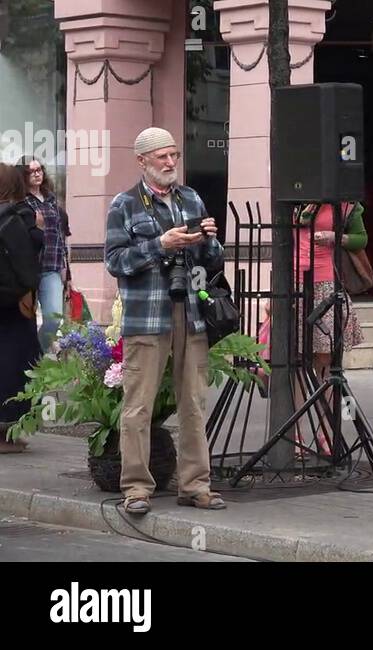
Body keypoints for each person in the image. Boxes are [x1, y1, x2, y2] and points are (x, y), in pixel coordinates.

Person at [104, 127, 226, 514]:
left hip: (190, 310)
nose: (171, 163)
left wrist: (208, 239)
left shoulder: (190, 197)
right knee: (138, 404)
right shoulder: (124, 204)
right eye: (162, 157)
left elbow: (213, 260)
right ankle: (137, 489)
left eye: (174, 155)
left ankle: (194, 485)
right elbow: (114, 261)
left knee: (193, 401)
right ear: (142, 161)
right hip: (147, 313)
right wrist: (161, 245)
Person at [293, 201, 367, 457]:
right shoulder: (296, 200)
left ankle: (326, 432)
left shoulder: (345, 204)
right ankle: (297, 434)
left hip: (326, 282)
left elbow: (361, 240)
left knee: (325, 363)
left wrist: (336, 237)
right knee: (297, 364)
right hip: (294, 283)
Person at [0, 164, 44, 453]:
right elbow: (23, 260)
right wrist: (29, 290)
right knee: (15, 364)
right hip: (12, 304)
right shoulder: (11, 216)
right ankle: (6, 430)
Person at [18, 156, 72, 353]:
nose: (37, 173)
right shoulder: (21, 202)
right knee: (25, 323)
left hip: (52, 267)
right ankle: (30, 362)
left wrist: (67, 271)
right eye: (31, 171)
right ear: (23, 176)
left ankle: (37, 356)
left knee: (53, 319)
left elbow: (60, 238)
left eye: (39, 169)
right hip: (29, 269)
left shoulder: (51, 200)